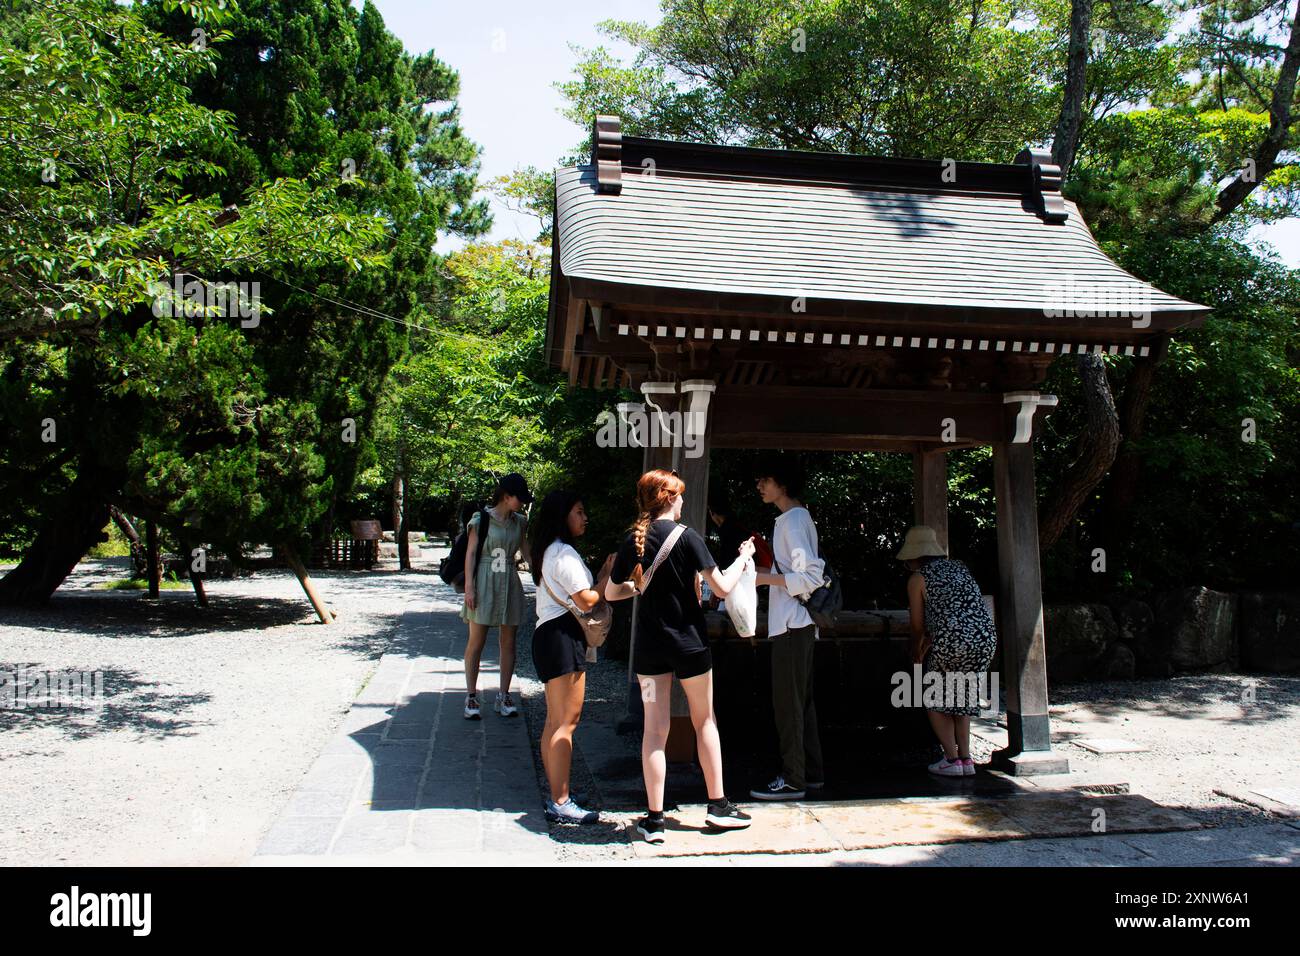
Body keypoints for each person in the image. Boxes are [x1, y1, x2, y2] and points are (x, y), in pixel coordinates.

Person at [605, 468, 756, 844]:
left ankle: (654, 819)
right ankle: (718, 806)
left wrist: (639, 588)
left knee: (654, 731)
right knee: (704, 720)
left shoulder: (634, 541)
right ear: (670, 498)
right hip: (689, 643)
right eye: (681, 494)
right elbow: (720, 588)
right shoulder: (689, 537)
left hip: (650, 648)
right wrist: (744, 557)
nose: (685, 500)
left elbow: (610, 594)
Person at [528, 490, 613, 824]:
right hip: (562, 637)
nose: (585, 517)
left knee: (553, 721)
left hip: (548, 636)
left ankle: (555, 796)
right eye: (579, 511)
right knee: (567, 722)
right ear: (563, 516)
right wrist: (607, 576)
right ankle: (561, 800)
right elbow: (588, 599)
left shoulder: (549, 551)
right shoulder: (562, 554)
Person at [750, 453, 826, 800]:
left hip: (793, 625)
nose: (760, 486)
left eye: (766, 480)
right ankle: (810, 774)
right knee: (801, 702)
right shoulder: (795, 518)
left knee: (789, 704)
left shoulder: (792, 521)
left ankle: (794, 778)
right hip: (799, 624)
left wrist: (765, 579)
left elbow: (810, 577)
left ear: (783, 483)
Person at [897, 525, 997, 777]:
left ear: (913, 556)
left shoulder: (918, 579)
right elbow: (954, 613)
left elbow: (918, 625)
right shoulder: (959, 568)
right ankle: (966, 760)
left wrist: (916, 650)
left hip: (952, 642)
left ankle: (951, 759)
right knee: (961, 697)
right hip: (984, 638)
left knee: (934, 698)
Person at [461, 473, 532, 720]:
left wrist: (541, 574)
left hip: (509, 580)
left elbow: (526, 550)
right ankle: (471, 696)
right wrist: (469, 587)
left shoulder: (520, 522)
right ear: (506, 496)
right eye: (518, 498)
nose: (521, 503)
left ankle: (504, 694)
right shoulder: (481, 520)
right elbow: (470, 554)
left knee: (509, 642)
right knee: (476, 642)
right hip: (484, 579)